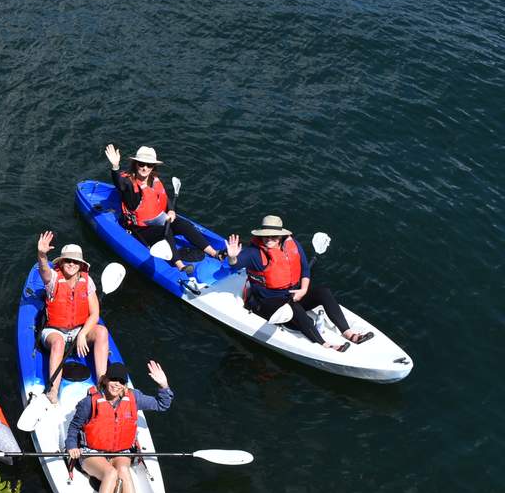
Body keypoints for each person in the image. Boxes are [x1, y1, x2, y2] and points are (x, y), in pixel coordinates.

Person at [224, 215, 374, 352]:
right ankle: (324, 344)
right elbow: (236, 264)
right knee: (294, 308)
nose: (269, 239)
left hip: (293, 295)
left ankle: (348, 333)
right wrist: (232, 257)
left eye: (274, 236)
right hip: (266, 303)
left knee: (323, 292)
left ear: (281, 236)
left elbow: (305, 269)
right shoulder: (253, 253)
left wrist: (303, 289)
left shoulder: (292, 245)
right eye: (265, 235)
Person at [64, 360, 172, 493]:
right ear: (105, 379)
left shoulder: (134, 397)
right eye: (113, 379)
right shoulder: (88, 403)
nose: (116, 384)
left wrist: (163, 385)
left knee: (123, 469)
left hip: (120, 451)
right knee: (111, 473)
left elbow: (162, 404)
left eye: (121, 381)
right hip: (91, 452)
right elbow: (74, 428)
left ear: (125, 385)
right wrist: (71, 446)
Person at [106, 143, 222, 274]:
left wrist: (171, 210)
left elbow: (164, 198)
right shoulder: (129, 184)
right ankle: (180, 265)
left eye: (149, 165)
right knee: (165, 230)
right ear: (135, 164)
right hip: (140, 230)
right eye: (141, 164)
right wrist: (115, 167)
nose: (145, 168)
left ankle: (214, 253)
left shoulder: (154, 180)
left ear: (153, 167)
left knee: (183, 224)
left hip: (159, 220)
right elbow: (119, 184)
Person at [37, 232, 109, 403]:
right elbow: (44, 270)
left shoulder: (87, 281)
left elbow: (95, 314)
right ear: (61, 263)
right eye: (67, 260)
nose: (71, 264)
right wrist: (41, 254)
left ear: (80, 265)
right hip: (54, 331)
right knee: (59, 342)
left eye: (75, 261)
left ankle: (101, 382)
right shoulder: (53, 278)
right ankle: (53, 390)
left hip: (78, 331)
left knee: (102, 332)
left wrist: (83, 334)